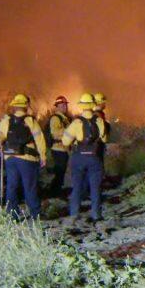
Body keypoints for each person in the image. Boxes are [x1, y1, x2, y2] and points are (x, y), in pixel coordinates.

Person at [0, 93, 47, 219]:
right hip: (27, 159)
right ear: (26, 106)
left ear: (14, 106)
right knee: (29, 186)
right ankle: (35, 214)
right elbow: (39, 139)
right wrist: (43, 156)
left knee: (12, 186)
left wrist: (2, 147)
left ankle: (12, 214)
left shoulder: (6, 120)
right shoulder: (30, 121)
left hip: (10, 158)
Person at [62, 93, 107, 223]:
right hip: (94, 157)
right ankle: (96, 214)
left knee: (77, 186)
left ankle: (74, 213)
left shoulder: (76, 122)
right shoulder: (99, 121)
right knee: (95, 187)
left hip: (79, 157)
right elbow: (104, 138)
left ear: (81, 106)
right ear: (93, 105)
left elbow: (65, 141)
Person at [45, 95, 71, 197]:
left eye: (65, 105)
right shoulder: (56, 118)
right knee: (59, 172)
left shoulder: (64, 118)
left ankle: (56, 191)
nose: (65, 107)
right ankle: (54, 192)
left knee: (61, 172)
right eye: (62, 105)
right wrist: (69, 132)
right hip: (58, 149)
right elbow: (55, 133)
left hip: (63, 149)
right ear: (57, 106)